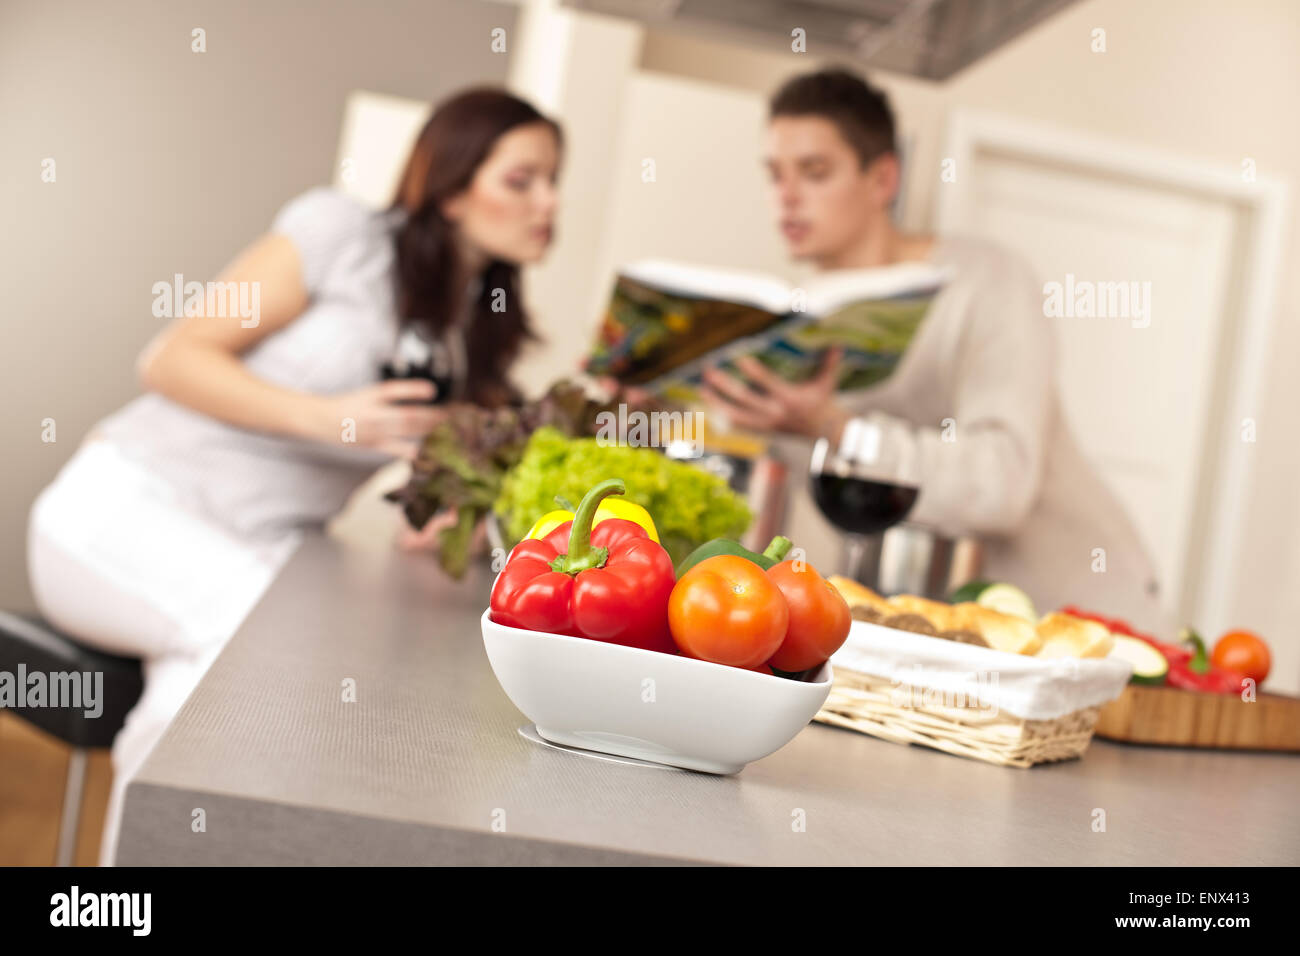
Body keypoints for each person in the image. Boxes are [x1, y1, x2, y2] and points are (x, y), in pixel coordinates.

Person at [26, 87, 562, 865]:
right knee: (247, 661)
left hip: (261, 546)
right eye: (523, 179)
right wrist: (331, 419)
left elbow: (439, 493)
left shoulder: (470, 330)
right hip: (127, 506)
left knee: (267, 681)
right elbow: (172, 358)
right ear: (450, 185)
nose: (547, 201)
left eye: (554, 181)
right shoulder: (341, 232)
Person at [700, 68, 1165, 632]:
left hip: (1074, 614)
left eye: (815, 172)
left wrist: (837, 427)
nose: (787, 198)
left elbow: (1000, 484)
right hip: (921, 631)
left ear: (882, 180)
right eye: (774, 175)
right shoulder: (791, 326)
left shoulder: (985, 282)